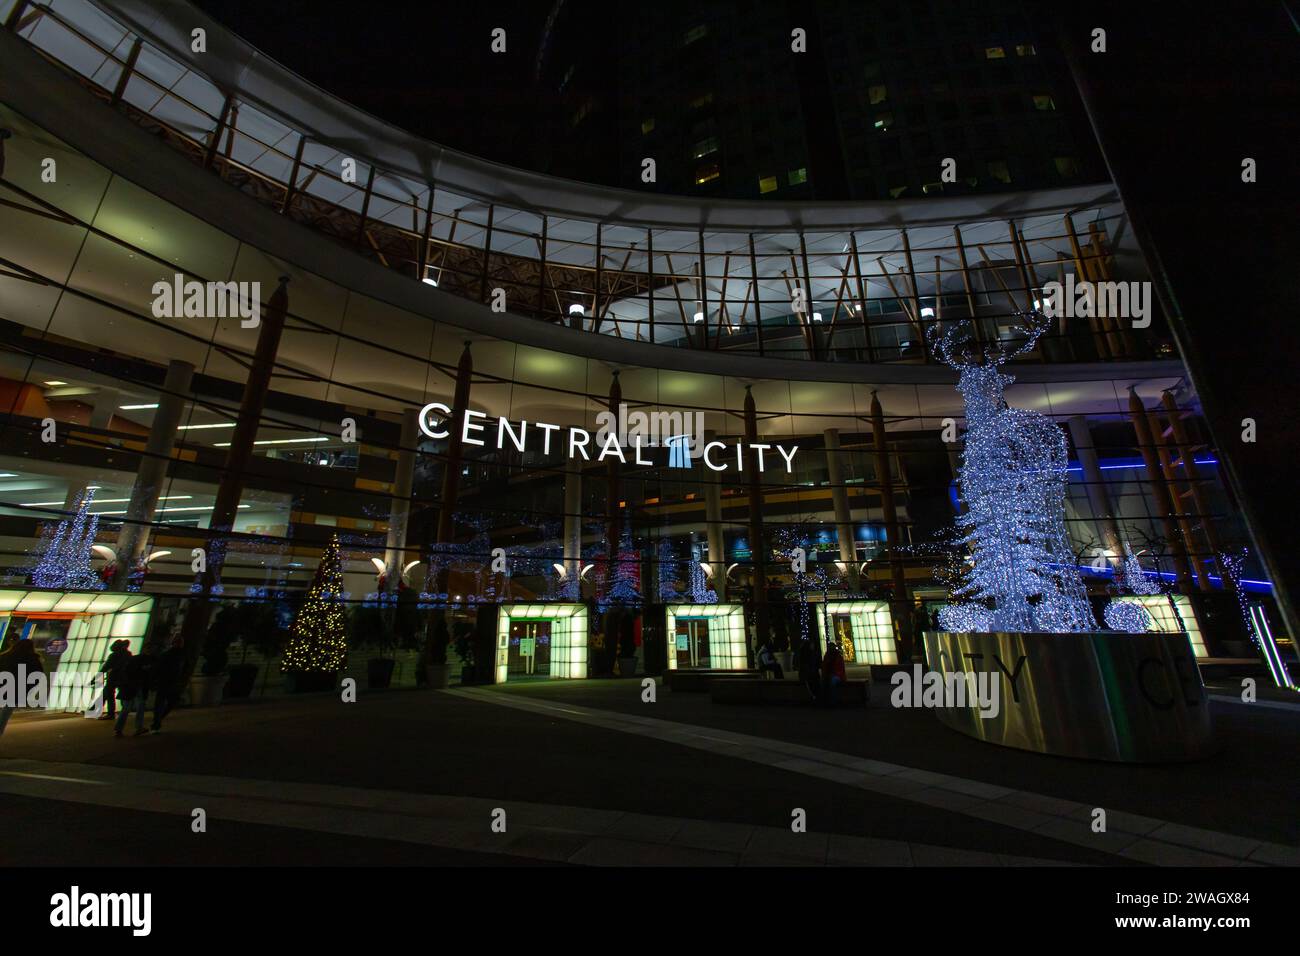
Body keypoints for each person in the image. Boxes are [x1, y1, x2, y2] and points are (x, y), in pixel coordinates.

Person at [0, 638, 44, 737]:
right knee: (7, 710)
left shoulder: (5, 656)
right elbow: (38, 675)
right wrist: (28, 688)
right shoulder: (33, 658)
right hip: (17, 688)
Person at [114, 641, 158, 738]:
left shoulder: (134, 659)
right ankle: (138, 727)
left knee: (126, 708)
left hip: (129, 686)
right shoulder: (150, 661)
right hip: (138, 686)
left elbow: (126, 671)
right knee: (140, 706)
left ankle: (119, 729)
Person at [150, 636, 186, 732]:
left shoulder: (166, 655)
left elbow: (158, 668)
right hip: (173, 682)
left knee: (160, 702)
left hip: (164, 681)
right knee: (171, 702)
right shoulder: (182, 655)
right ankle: (157, 721)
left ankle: (156, 722)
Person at [97, 639, 131, 720]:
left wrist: (98, 676)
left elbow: (106, 666)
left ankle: (110, 713)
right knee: (108, 693)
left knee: (109, 694)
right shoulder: (128, 654)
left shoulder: (114, 655)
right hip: (123, 677)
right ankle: (94, 709)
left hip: (113, 677)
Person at [821, 640, 846, 708]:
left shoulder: (837, 656)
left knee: (832, 682)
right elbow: (824, 667)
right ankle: (827, 700)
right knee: (825, 682)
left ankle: (832, 701)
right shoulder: (827, 656)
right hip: (832, 674)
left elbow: (840, 669)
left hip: (837, 675)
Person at [795, 639, 820, 703]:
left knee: (815, 681)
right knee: (811, 682)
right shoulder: (806, 655)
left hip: (811, 673)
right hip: (807, 674)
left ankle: (815, 696)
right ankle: (814, 696)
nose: (813, 646)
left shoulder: (812, 654)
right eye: (812, 645)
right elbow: (805, 667)